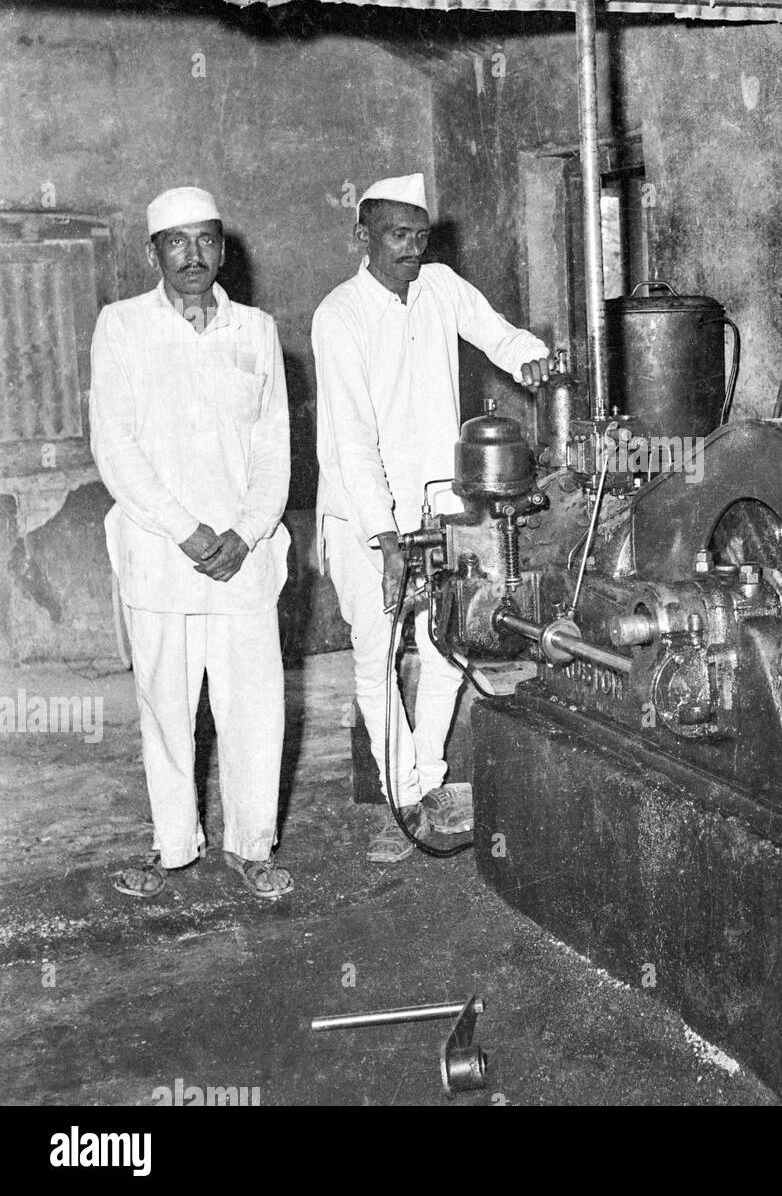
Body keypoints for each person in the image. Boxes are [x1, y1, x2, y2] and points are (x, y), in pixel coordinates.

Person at [312, 173, 550, 863]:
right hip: (363, 517)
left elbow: (500, 337)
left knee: (451, 641)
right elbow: (350, 438)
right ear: (363, 237)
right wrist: (384, 536)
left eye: (419, 236)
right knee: (376, 656)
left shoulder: (442, 287)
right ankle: (398, 799)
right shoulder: (341, 315)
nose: (411, 250)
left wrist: (537, 361)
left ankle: (427, 781)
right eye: (396, 236)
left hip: (443, 507)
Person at [90, 186, 293, 899]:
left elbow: (275, 449)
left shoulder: (256, 330)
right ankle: (172, 846)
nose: (194, 255)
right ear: (153, 253)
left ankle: (253, 845)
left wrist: (245, 532)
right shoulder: (121, 327)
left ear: (223, 249)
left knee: (254, 706)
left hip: (244, 558)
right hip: (160, 556)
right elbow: (115, 447)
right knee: (167, 711)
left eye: (207, 240)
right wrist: (186, 530)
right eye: (176, 242)